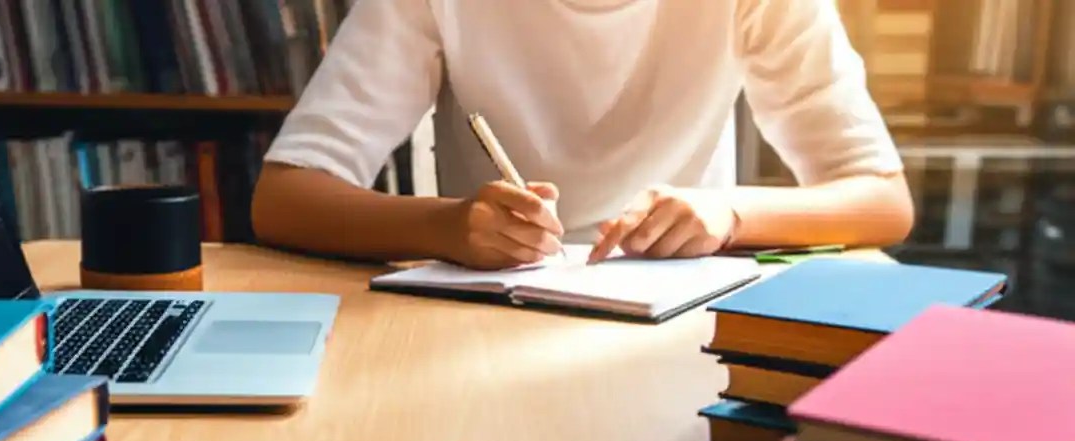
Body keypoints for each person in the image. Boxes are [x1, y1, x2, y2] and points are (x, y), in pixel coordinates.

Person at [251, 0, 915, 270]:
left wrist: (731, 212)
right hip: (488, 321)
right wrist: (445, 227)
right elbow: (284, 197)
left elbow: (882, 201)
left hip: (686, 322)